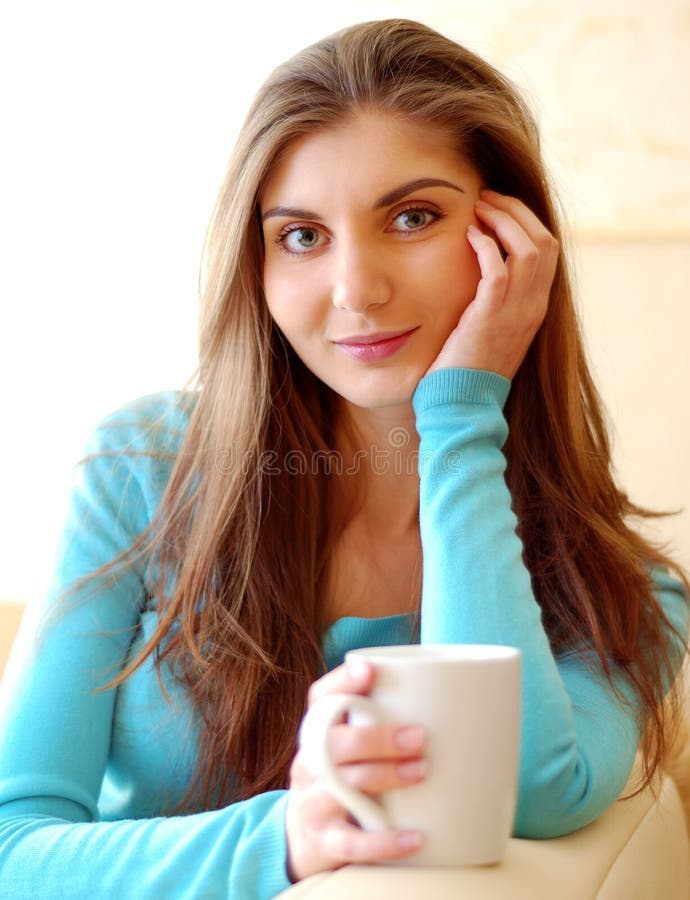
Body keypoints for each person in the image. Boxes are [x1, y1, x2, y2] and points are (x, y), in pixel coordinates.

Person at [0, 17, 687, 899]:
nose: (357, 289)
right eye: (301, 236)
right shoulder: (140, 467)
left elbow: (523, 796)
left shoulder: (620, 592)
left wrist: (460, 419)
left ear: (512, 242)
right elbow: (13, 846)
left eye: (412, 217)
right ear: (259, 264)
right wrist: (285, 836)